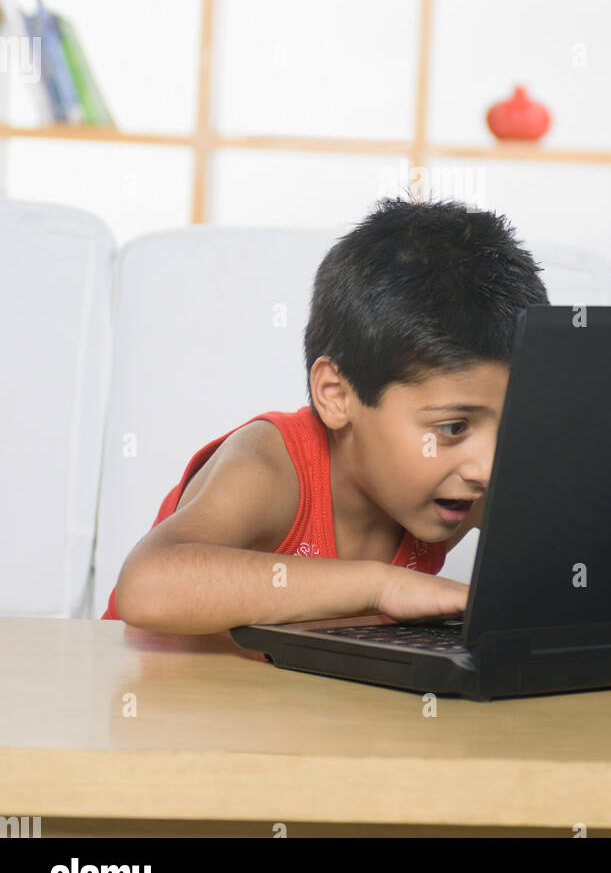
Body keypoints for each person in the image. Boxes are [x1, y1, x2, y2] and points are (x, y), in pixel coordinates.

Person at [103, 194, 549, 633]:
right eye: (453, 428)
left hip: (283, 704)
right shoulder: (270, 467)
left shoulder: (462, 484)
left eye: (510, 423)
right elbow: (145, 586)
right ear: (337, 395)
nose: (487, 468)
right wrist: (381, 586)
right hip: (151, 694)